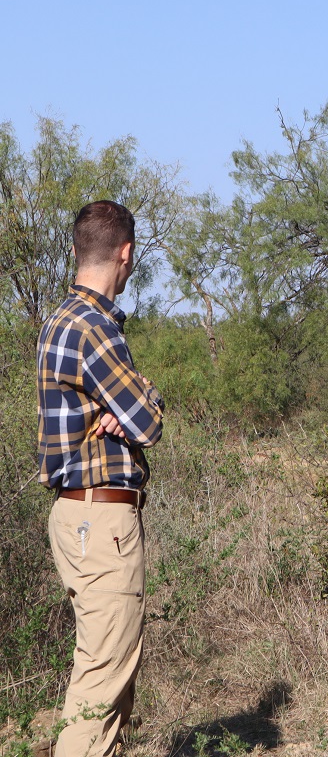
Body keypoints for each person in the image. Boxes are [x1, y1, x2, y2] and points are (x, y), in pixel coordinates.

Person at [37, 200, 165, 757]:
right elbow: (146, 420)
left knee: (104, 672)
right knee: (102, 678)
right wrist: (143, 399)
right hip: (102, 518)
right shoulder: (95, 329)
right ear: (127, 255)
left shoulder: (60, 321)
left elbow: (134, 412)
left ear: (74, 249)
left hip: (75, 516)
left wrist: (134, 403)